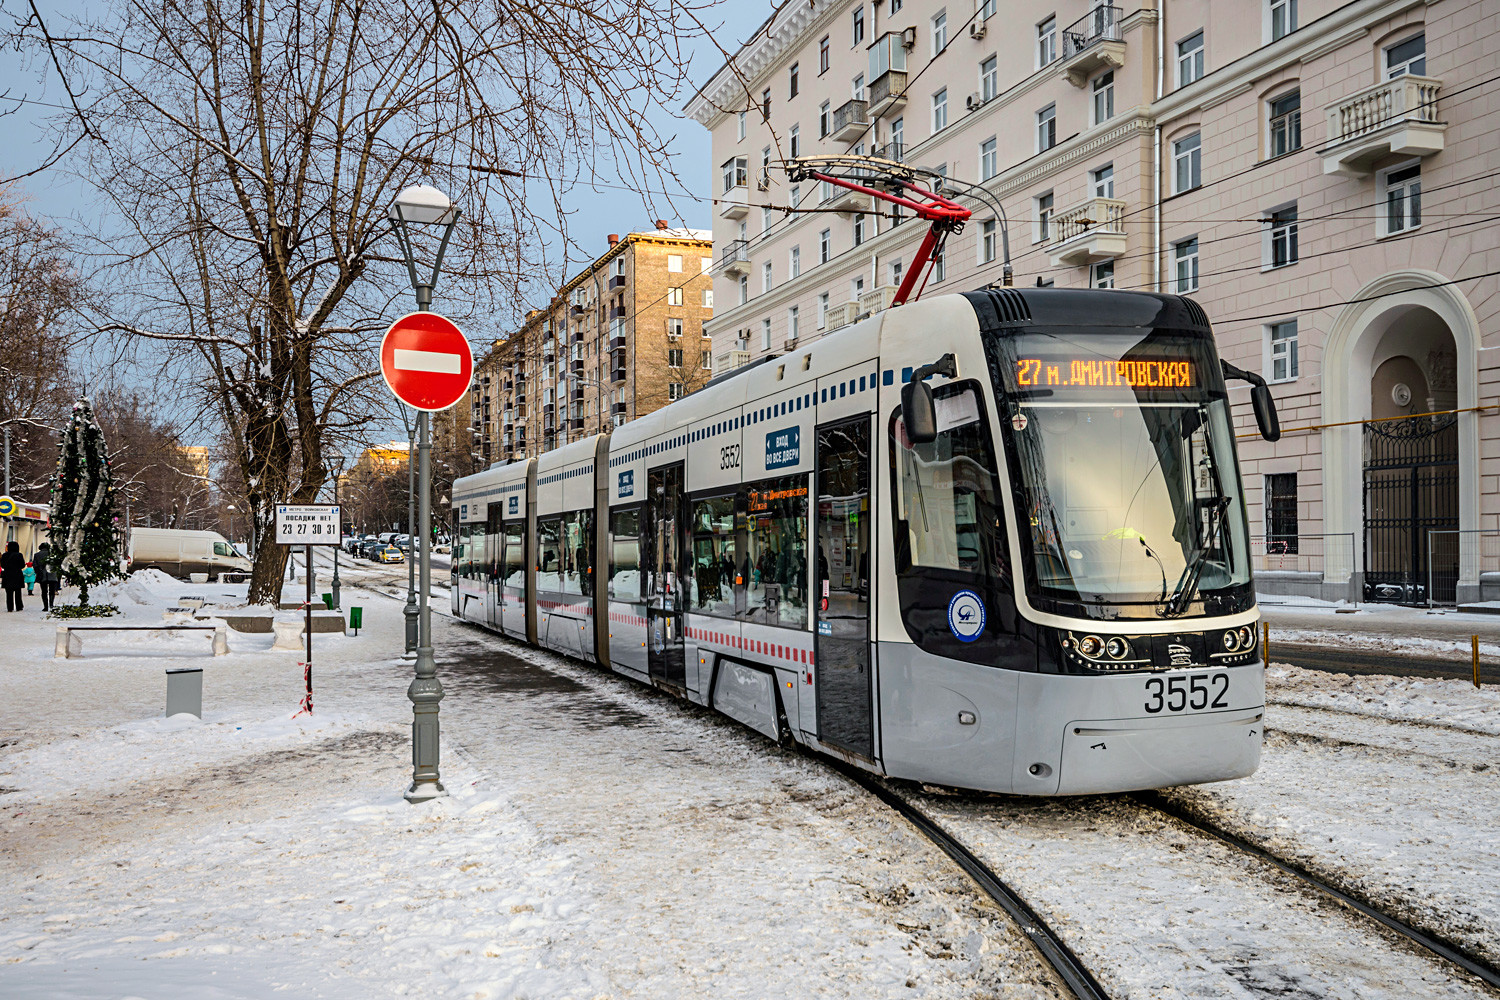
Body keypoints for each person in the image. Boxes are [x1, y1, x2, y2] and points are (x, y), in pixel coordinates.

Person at [1, 541, 25, 612]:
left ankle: (10, 607)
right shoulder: (19, 555)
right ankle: (19, 606)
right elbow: (22, 565)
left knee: (9, 593)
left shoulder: (5, 555)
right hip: (17, 575)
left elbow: (2, 565)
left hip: (7, 575)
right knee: (18, 592)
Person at [35, 541, 59, 612]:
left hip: (42, 575)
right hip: (52, 574)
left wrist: (38, 572)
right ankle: (51, 604)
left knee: (44, 591)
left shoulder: (37, 555)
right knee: (52, 591)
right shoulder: (53, 555)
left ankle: (45, 606)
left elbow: (35, 565)